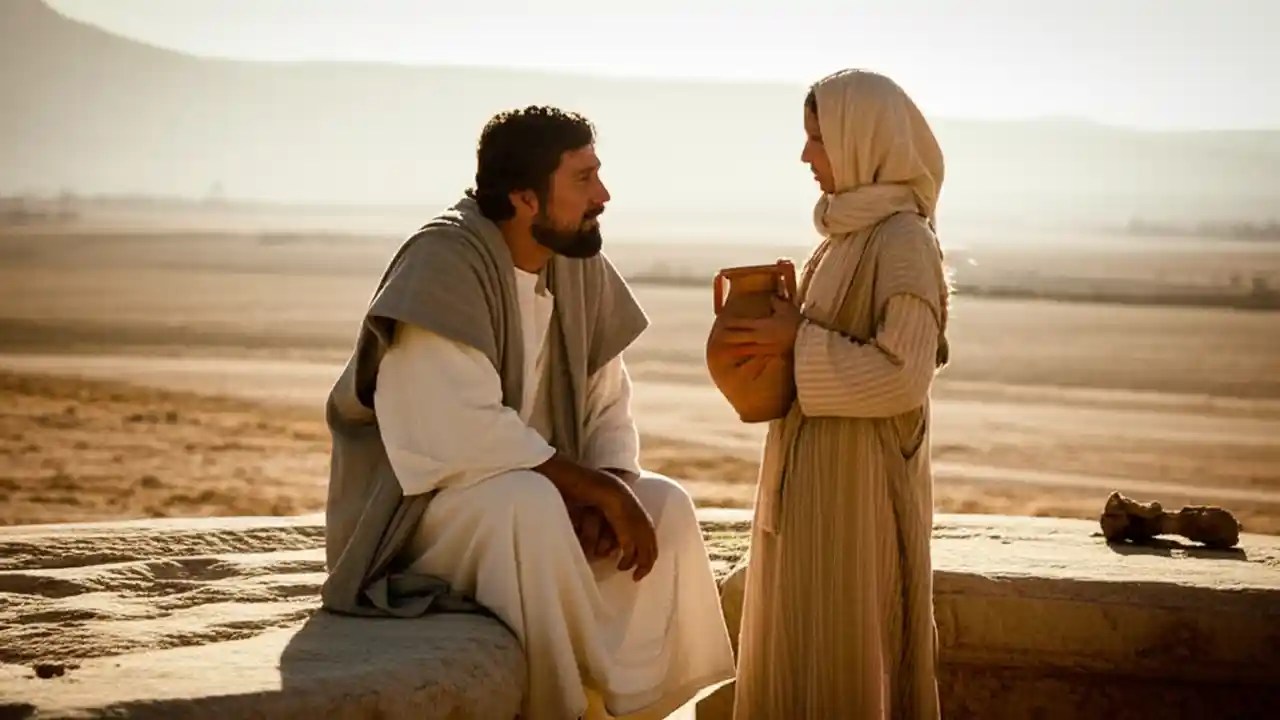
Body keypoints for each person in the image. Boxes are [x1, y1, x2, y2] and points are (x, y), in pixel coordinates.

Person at [320, 106, 735, 720]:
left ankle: (643, 708)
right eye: (583, 179)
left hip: (541, 492)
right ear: (523, 197)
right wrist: (593, 490)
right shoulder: (444, 263)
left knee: (664, 505)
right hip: (424, 514)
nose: (603, 195)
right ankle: (559, 706)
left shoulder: (576, 263)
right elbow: (458, 433)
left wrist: (611, 483)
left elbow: (606, 402)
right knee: (528, 503)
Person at [717, 69, 951, 719]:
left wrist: (797, 341)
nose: (806, 156)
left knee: (850, 666)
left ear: (862, 140)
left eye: (818, 139)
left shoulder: (904, 241)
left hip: (860, 496)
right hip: (812, 491)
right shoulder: (843, 237)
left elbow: (903, 375)